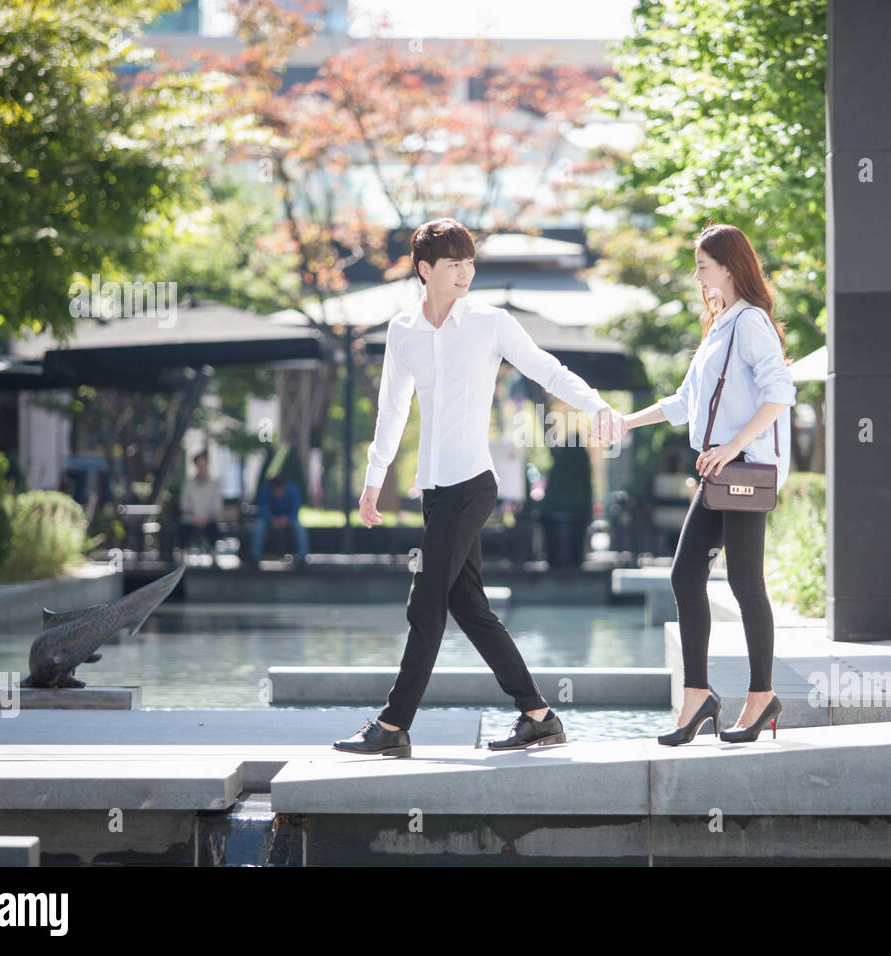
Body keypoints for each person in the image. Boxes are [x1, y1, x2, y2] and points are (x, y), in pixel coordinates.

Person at [334, 217, 627, 757]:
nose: (466, 271)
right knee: (469, 608)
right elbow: (392, 410)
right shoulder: (403, 332)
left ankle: (393, 726)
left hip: (473, 483)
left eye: (470, 262)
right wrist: (374, 480)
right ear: (426, 270)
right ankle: (538, 715)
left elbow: (546, 369)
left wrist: (596, 403)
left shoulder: (491, 323)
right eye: (453, 263)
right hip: (434, 489)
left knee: (425, 605)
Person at [622, 224, 795, 746]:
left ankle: (762, 697)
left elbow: (779, 392)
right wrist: (625, 423)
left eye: (702, 265)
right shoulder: (719, 325)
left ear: (727, 265)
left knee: (745, 584)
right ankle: (698, 696)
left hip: (740, 469)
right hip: (719, 470)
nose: (696, 274)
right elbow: (684, 402)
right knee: (684, 577)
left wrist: (731, 446)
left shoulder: (750, 323)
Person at [251, 473, 308, 565]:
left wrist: (287, 519)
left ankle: (303, 556)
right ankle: (254, 556)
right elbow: (261, 508)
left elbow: (296, 509)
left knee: (300, 528)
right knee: (259, 526)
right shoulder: (265, 490)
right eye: (275, 491)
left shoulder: (293, 490)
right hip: (271, 518)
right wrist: (271, 519)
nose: (277, 493)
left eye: (280, 491)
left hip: (288, 518)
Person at [178, 450, 223, 563]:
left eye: (204, 464)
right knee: (183, 527)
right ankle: (183, 555)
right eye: (199, 465)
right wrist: (194, 518)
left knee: (214, 527)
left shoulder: (214, 484)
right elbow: (184, 503)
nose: (202, 467)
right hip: (192, 519)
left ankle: (213, 555)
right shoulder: (189, 483)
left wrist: (206, 518)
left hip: (208, 519)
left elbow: (217, 505)